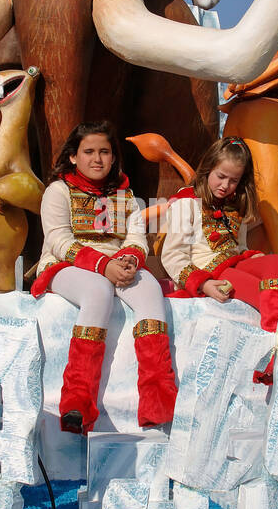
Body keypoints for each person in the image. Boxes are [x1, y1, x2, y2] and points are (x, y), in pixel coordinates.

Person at [31, 120, 177, 434]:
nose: (97, 159)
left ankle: (158, 399)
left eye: (104, 152)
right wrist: (103, 265)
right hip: (66, 266)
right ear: (73, 156)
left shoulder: (125, 194)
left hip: (115, 264)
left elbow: (138, 237)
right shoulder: (58, 191)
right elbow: (59, 240)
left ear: (113, 157)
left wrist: (129, 259)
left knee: (150, 289)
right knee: (97, 290)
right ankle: (77, 403)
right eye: (89, 152)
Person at [160, 136, 278, 383]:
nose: (225, 185)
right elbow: (172, 254)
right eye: (220, 176)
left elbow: (239, 247)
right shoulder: (185, 202)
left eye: (234, 180)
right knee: (265, 293)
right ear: (208, 168)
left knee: (276, 263)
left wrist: (256, 261)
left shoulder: (234, 205)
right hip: (209, 271)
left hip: (233, 263)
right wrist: (202, 284)